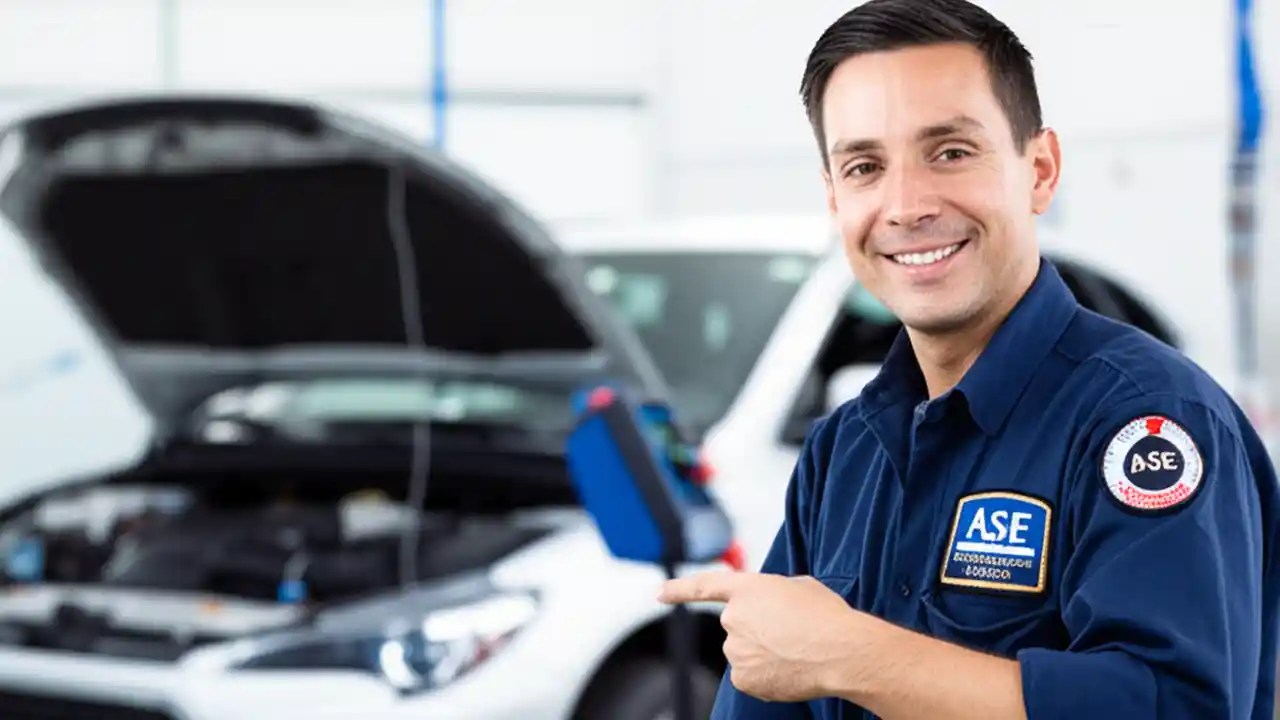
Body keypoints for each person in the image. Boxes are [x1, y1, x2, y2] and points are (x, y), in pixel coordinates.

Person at [657, 0, 1280, 718]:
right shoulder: (843, 451)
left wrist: (849, 654)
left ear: (1040, 169)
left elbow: (1170, 708)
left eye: (950, 152)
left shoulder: (1149, 424)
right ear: (834, 197)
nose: (906, 204)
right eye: (864, 166)